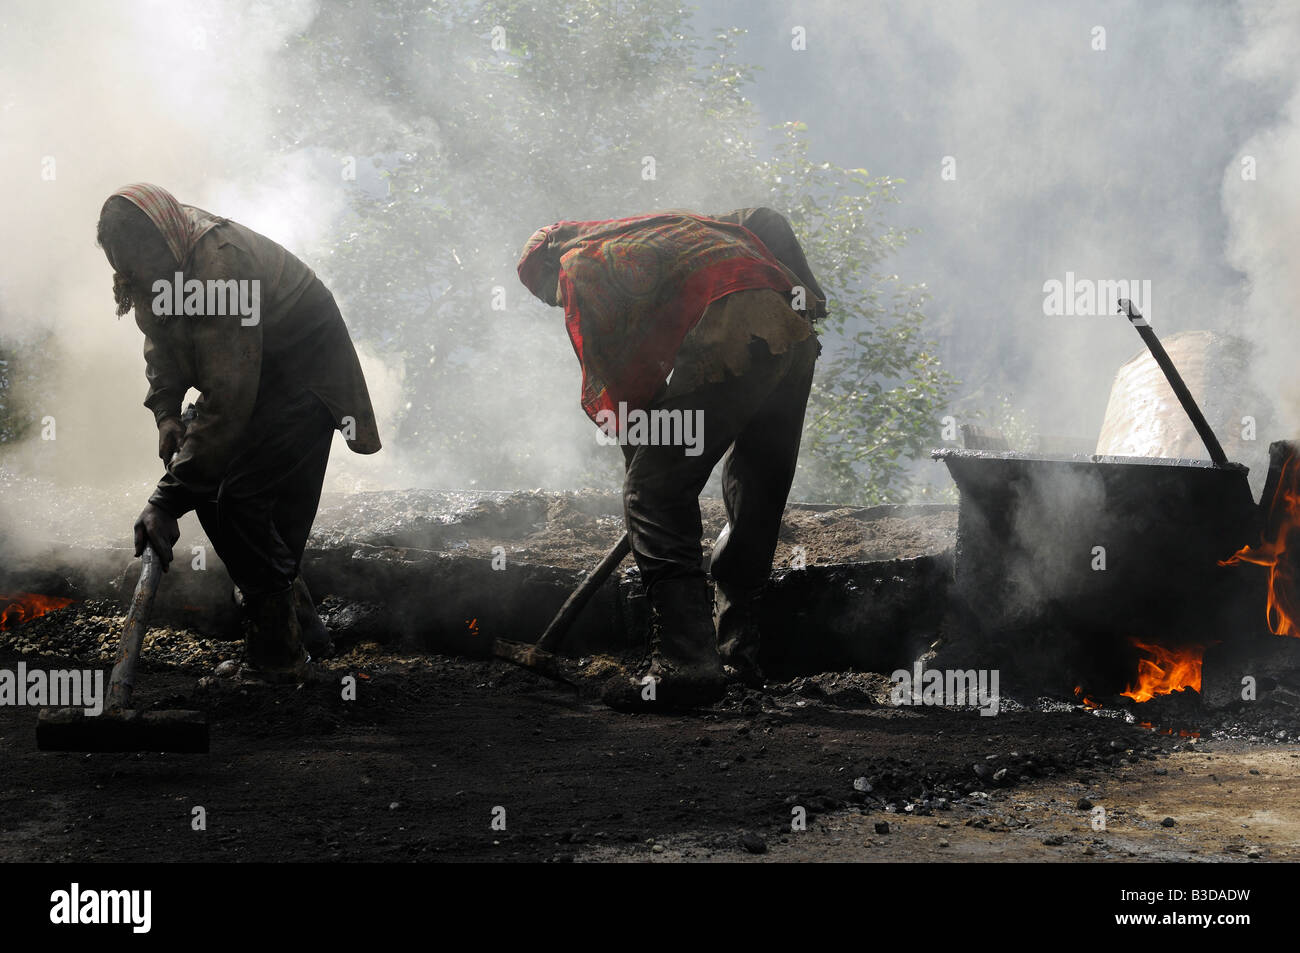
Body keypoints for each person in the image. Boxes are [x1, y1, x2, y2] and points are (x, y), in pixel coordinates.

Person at [517, 208, 825, 711]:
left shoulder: (580, 263)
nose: (556, 300)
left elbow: (619, 381)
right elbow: (763, 218)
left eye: (548, 293)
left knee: (653, 492)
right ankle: (737, 656)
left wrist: (645, 475)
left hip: (738, 333)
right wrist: (808, 299)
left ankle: (686, 667)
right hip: (790, 334)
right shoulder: (667, 227)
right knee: (756, 487)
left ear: (550, 266)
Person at [97, 183, 381, 683]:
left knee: (242, 500)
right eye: (126, 271)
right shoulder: (153, 266)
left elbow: (228, 403)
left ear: (164, 243)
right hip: (251, 376)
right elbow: (161, 342)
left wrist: (164, 502)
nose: (135, 280)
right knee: (210, 487)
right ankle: (303, 635)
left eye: (142, 269)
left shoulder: (218, 267)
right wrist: (166, 413)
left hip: (301, 378)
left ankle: (278, 661)